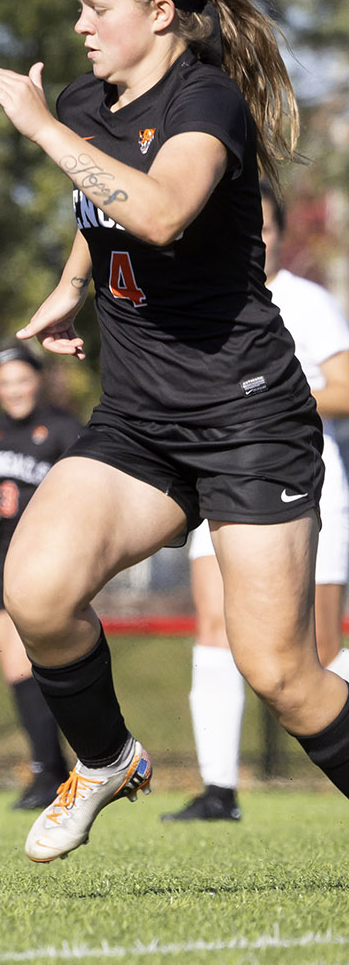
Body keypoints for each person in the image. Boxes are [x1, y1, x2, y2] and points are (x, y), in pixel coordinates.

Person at [0, 0, 349, 864]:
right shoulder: (92, 102)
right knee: (37, 590)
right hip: (141, 421)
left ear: (163, 12)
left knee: (281, 672)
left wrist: (41, 127)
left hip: (248, 420)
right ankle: (105, 759)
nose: (83, 29)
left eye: (98, 10)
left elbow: (166, 210)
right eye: (78, 10)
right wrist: (70, 285)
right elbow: (102, 209)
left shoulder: (205, 100)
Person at [166, 188, 349, 823]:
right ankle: (218, 789)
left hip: (302, 477)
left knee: (315, 646)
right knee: (215, 629)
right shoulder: (207, 299)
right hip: (216, 478)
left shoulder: (307, 301)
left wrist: (268, 399)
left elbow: (346, 388)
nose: (255, 236)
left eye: (263, 225)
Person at [0, 345, 82, 811]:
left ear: (38, 380)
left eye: (21, 380)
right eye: (4, 384)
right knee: (15, 668)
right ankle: (48, 770)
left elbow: (85, 490)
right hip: (3, 557)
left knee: (54, 663)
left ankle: (91, 764)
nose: (13, 391)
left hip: (45, 556)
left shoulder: (63, 428)